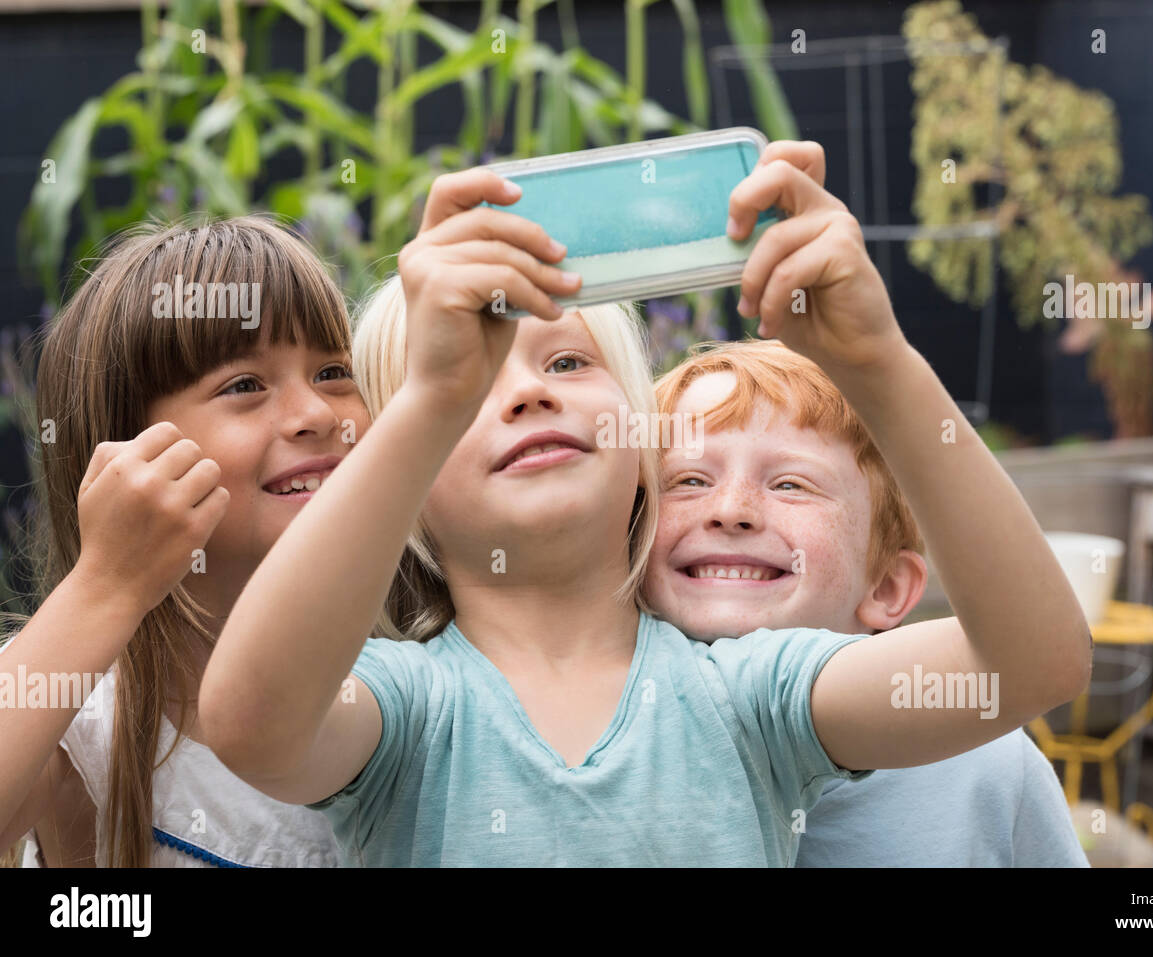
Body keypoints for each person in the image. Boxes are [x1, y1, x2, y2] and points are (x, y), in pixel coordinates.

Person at [198, 140, 1092, 866]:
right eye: (469, 383)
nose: (524, 393)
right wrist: (430, 398)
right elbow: (250, 723)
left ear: (643, 458)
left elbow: (1032, 662)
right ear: (404, 497)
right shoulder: (407, 712)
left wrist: (877, 361)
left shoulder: (751, 695)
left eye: (566, 362)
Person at [0, 217, 365, 866]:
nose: (315, 414)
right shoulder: (89, 725)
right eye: (245, 385)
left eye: (335, 370)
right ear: (123, 456)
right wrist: (106, 584)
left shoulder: (416, 665)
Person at [647, 338, 1088, 867]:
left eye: (791, 484)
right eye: (688, 480)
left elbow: (1038, 658)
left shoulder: (989, 765)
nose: (730, 509)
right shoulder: (602, 737)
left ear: (886, 587)